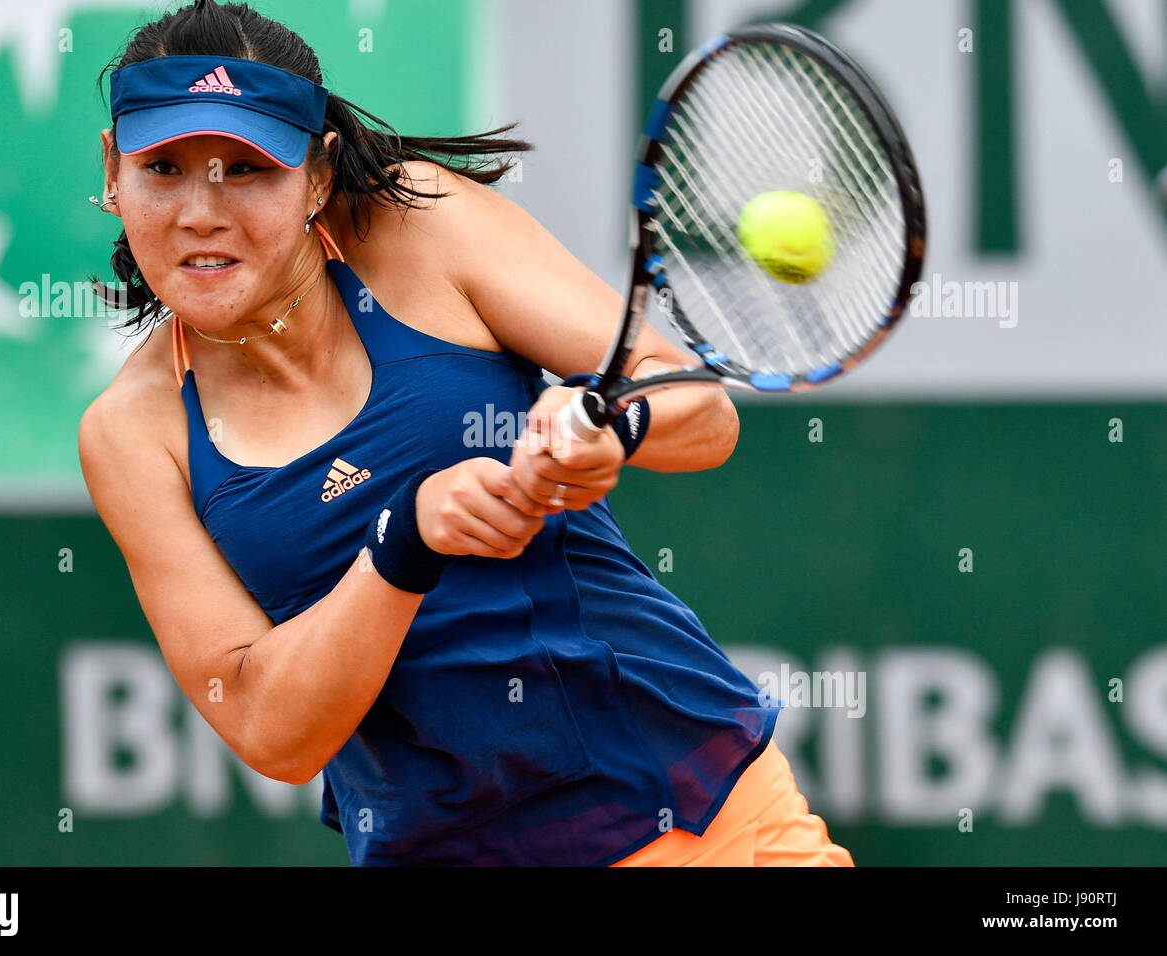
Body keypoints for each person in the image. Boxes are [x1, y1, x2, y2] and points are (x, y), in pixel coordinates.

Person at [79, 0, 853, 867]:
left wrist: (611, 430)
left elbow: (700, 414)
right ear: (114, 171)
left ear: (319, 175)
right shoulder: (131, 432)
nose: (200, 213)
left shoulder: (424, 229)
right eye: (165, 168)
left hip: (696, 827)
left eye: (246, 169)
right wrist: (405, 541)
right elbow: (271, 729)